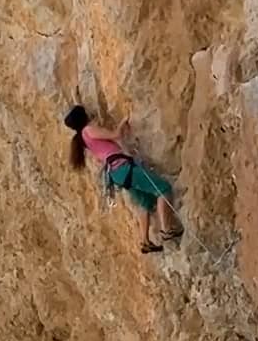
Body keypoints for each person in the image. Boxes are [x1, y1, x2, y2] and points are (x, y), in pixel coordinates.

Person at [63, 104, 182, 252]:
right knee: (163, 189)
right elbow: (116, 135)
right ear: (83, 117)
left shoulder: (83, 139)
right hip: (123, 168)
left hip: (117, 174)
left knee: (145, 203)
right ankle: (166, 230)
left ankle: (145, 241)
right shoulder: (88, 131)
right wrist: (123, 121)